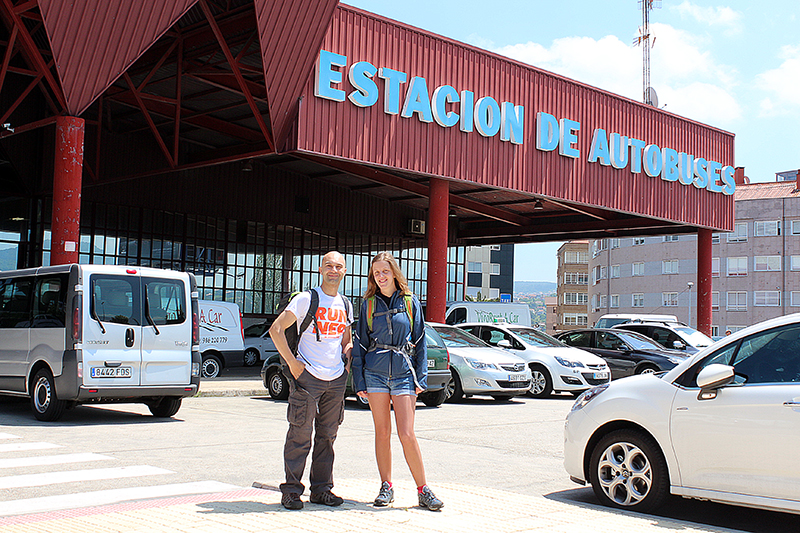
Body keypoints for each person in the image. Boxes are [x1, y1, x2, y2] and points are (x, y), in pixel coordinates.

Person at [352, 252, 444, 511]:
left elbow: (421, 341)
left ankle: (423, 489)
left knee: (407, 433)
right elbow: (359, 344)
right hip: (375, 374)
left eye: (385, 271)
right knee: (382, 433)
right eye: (376, 273)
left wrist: (421, 377)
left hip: (404, 374)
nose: (380, 277)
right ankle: (386, 487)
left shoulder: (410, 301)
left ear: (394, 272)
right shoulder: (368, 304)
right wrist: (359, 381)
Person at [269, 251, 353, 510]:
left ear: (345, 271)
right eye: (329, 265)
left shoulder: (346, 304)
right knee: (299, 435)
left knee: (328, 436)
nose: (334, 270)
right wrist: (293, 363)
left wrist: (347, 363)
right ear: (320, 269)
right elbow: (276, 329)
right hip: (308, 379)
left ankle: (321, 490)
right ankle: (292, 492)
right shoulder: (307, 299)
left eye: (338, 266)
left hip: (336, 379)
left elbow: (346, 337)